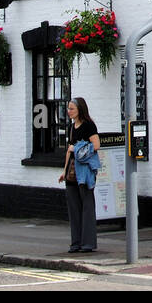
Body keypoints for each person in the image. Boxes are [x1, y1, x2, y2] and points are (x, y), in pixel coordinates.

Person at [57, 97, 100, 253]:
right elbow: (69, 150)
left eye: (71, 109)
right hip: (72, 172)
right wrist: (64, 171)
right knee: (74, 208)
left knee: (87, 207)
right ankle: (75, 242)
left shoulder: (89, 125)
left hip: (85, 172)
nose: (68, 112)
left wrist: (76, 148)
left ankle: (88, 243)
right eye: (68, 108)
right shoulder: (72, 127)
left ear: (80, 109)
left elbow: (96, 145)